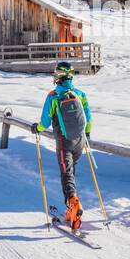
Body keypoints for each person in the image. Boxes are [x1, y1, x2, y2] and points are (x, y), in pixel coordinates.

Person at [35, 61, 93, 230]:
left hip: (64, 140)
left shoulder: (54, 96)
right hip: (80, 140)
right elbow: (88, 119)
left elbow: (45, 122)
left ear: (58, 77)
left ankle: (74, 203)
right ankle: (71, 208)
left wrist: (36, 128)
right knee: (71, 171)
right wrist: (87, 134)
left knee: (66, 173)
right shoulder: (80, 94)